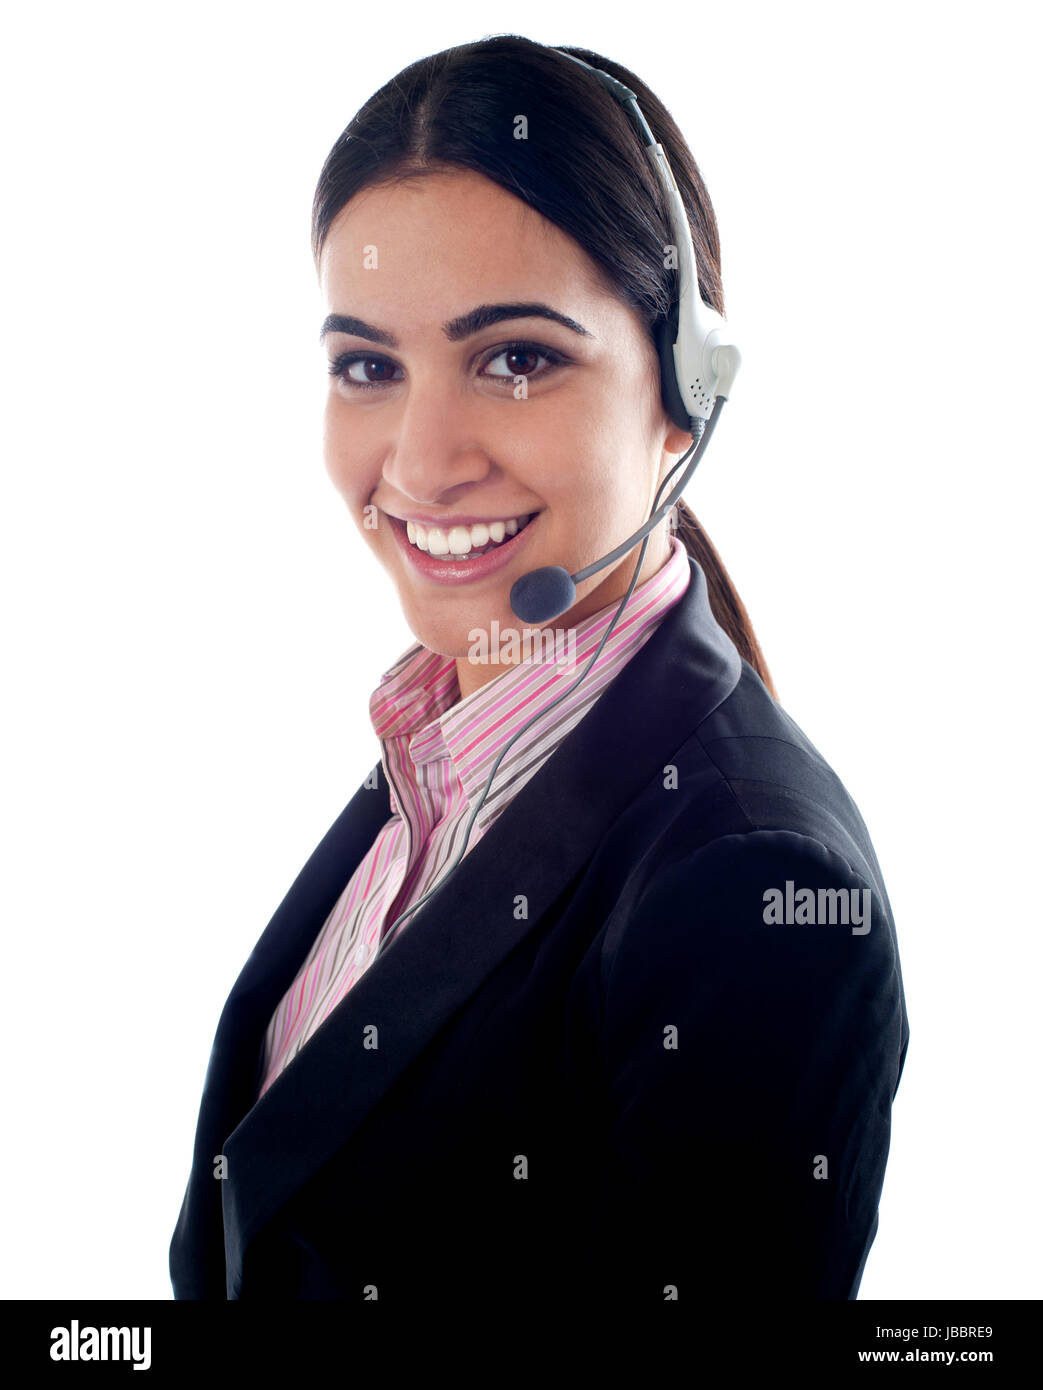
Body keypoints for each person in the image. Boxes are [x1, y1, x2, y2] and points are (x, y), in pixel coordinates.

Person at [169, 34, 909, 1307]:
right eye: (367, 367)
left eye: (515, 358)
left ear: (687, 390)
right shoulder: (445, 748)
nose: (418, 461)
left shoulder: (752, 886)